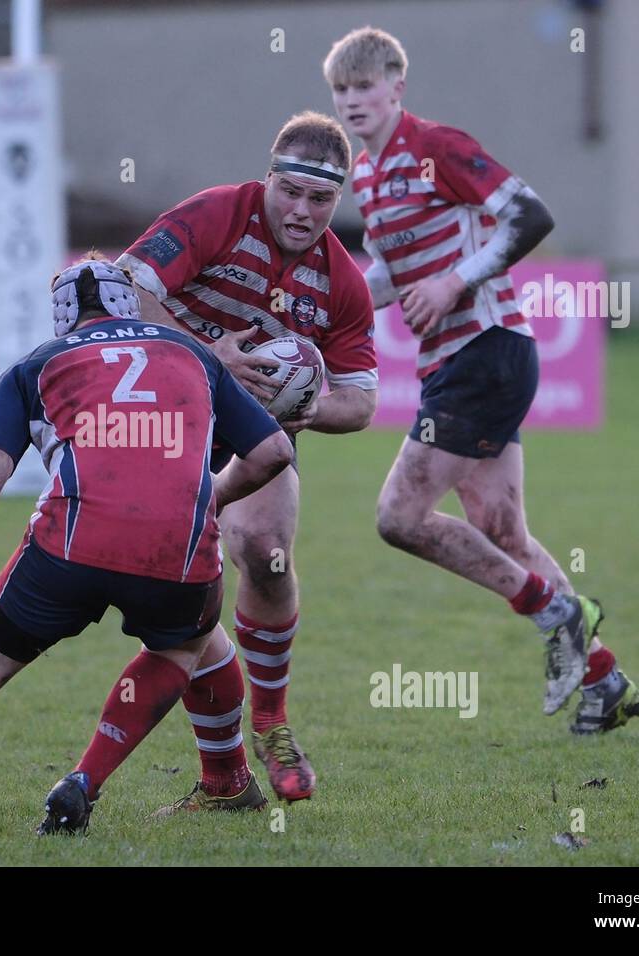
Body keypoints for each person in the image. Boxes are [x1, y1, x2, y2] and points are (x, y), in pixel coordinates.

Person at [0, 257, 294, 840]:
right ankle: (84, 782)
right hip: (177, 550)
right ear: (127, 304)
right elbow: (273, 452)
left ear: (62, 315)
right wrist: (210, 496)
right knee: (184, 648)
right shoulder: (194, 355)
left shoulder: (33, 365)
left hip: (67, 549)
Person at [323, 26, 639, 733]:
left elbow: (530, 216)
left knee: (398, 517)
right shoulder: (369, 177)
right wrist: (326, 312)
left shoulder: (435, 146)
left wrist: (453, 279)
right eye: (341, 90)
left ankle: (556, 611)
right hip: (459, 365)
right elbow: (384, 277)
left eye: (364, 86)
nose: (352, 101)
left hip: (487, 351)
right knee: (502, 531)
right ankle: (602, 678)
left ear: (396, 86)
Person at [115, 112, 377, 805]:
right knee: (179, 594)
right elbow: (126, 289)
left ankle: (271, 720)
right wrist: (211, 355)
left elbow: (361, 401)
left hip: (259, 433)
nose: (302, 210)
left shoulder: (341, 281)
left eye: (321, 199)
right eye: (291, 191)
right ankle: (224, 777)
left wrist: (306, 408)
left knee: (266, 552)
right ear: (269, 178)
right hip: (167, 419)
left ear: (338, 199)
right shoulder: (216, 215)